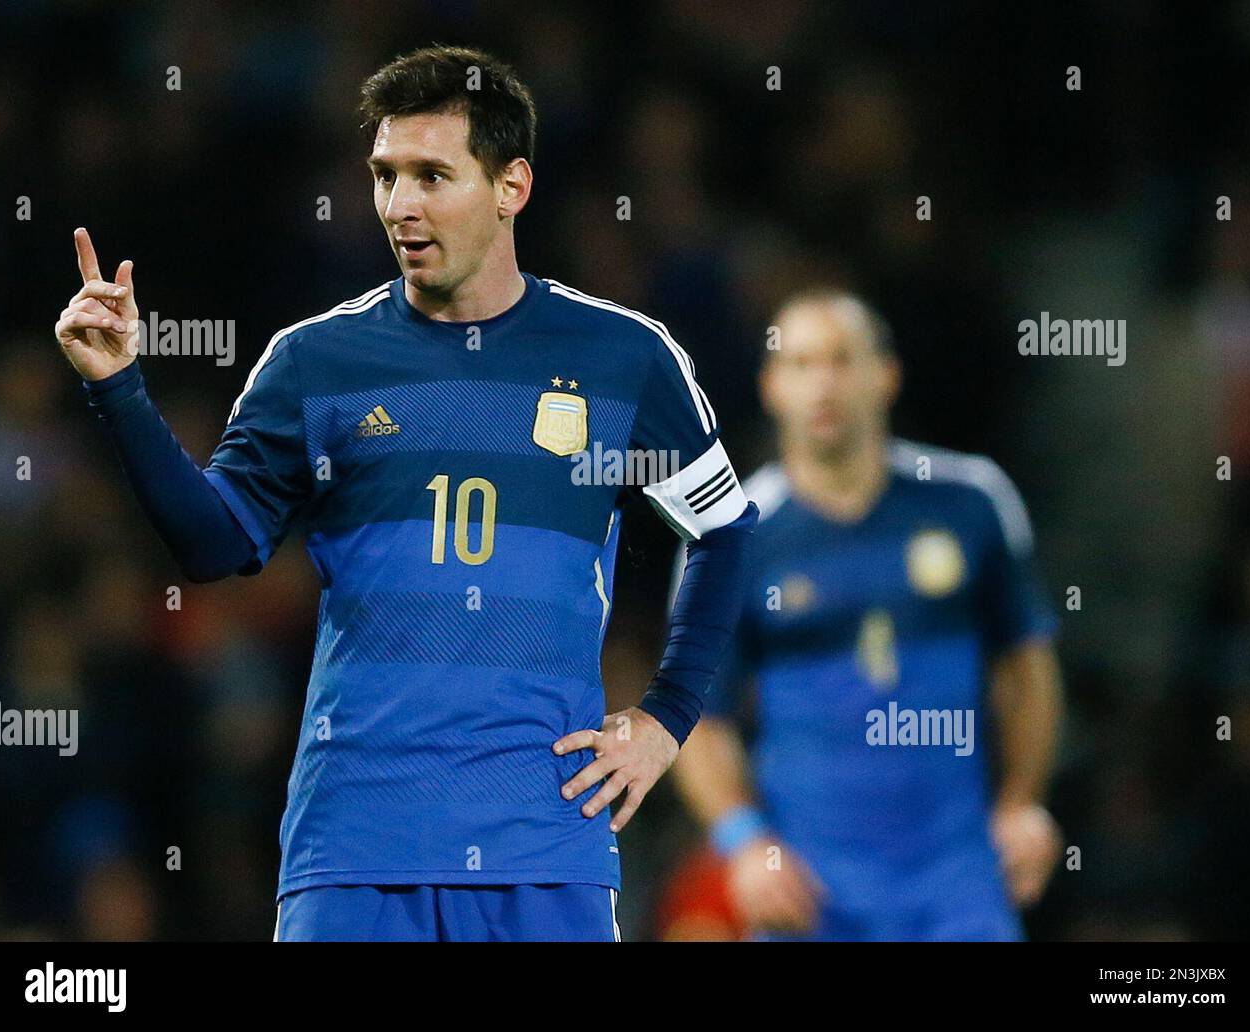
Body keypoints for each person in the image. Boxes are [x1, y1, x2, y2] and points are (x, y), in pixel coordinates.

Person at [53, 46, 756, 942]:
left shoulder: (626, 358)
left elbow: (727, 530)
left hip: (541, 843)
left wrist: (667, 718)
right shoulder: (315, 362)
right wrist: (120, 390)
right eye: (386, 176)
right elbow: (215, 544)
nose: (399, 205)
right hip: (355, 846)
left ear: (512, 187)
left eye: (432, 175)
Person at [672, 290, 1062, 940]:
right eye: (800, 364)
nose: (822, 383)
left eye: (842, 360)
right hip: (812, 899)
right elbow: (694, 717)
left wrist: (1023, 803)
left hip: (959, 888)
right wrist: (744, 842)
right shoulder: (729, 534)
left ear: (887, 375)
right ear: (771, 387)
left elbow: (1027, 664)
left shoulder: (971, 501)